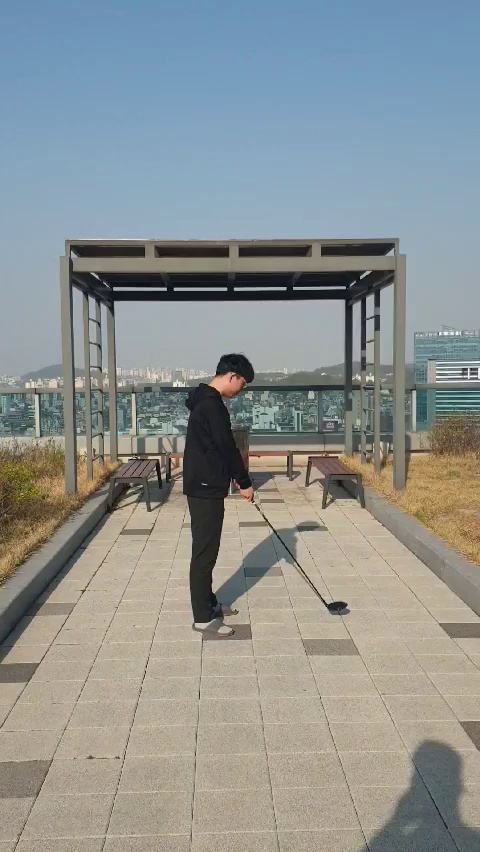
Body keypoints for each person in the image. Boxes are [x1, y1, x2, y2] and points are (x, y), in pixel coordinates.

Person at [183, 353, 255, 637]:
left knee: (208, 549)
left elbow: (217, 447)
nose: (241, 390)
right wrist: (244, 481)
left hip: (204, 483)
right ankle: (202, 617)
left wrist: (232, 476)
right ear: (232, 376)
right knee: (204, 552)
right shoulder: (212, 406)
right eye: (243, 384)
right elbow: (227, 446)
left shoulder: (204, 399)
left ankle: (209, 602)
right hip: (204, 487)